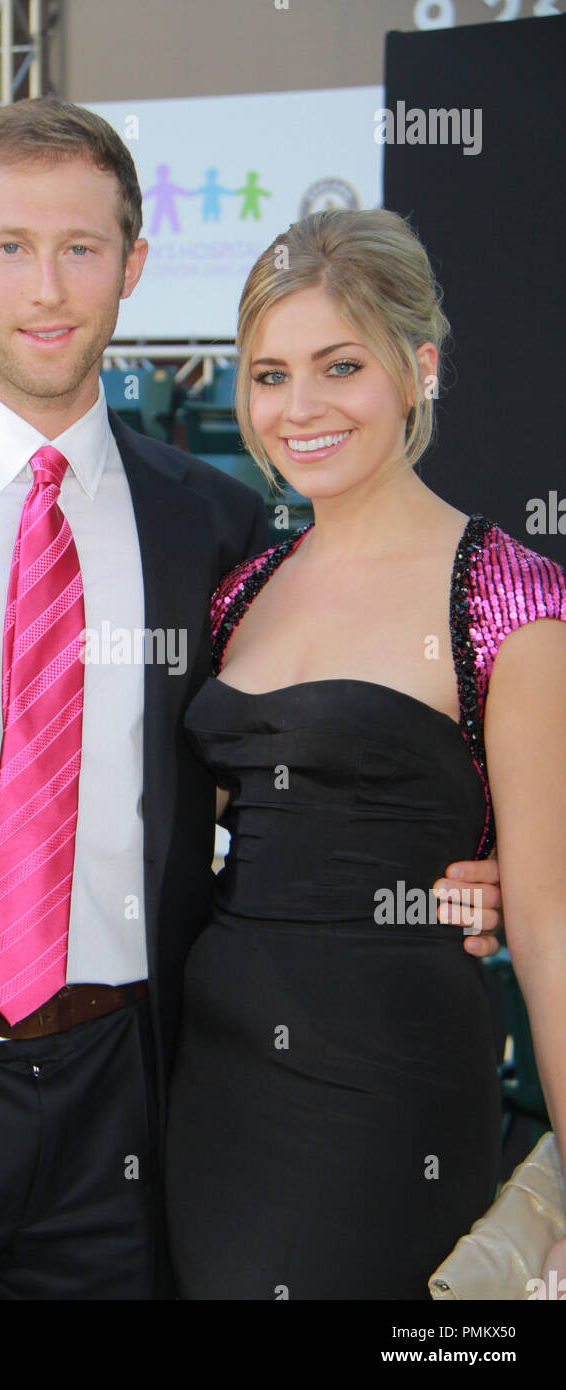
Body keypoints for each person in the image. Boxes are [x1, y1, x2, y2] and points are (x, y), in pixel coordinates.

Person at [0, 99, 502, 1302]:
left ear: (132, 263)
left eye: (81, 247)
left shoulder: (213, 519)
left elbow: (299, 762)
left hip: (128, 1104)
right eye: (8, 246)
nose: (46, 286)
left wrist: (473, 861)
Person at [159, 208, 566, 1299]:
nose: (299, 409)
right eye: (267, 374)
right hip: (209, 1081)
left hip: (383, 1088)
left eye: (338, 366)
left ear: (416, 368)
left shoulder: (498, 594)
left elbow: (546, 921)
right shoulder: (243, 585)